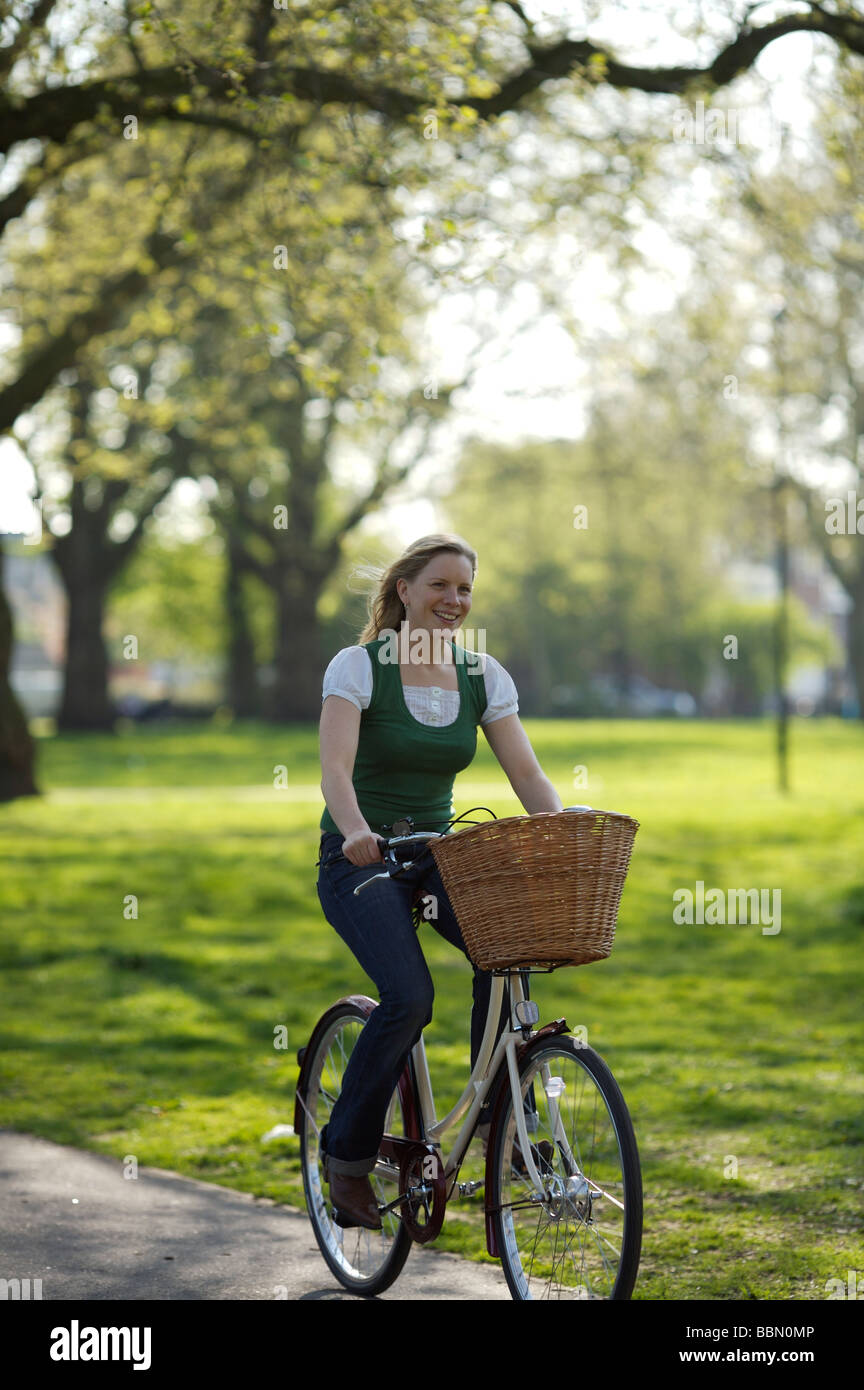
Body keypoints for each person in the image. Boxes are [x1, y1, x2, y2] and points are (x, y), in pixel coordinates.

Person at [315, 533, 563, 1228]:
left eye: (464, 590)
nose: (453, 601)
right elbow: (336, 770)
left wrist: (563, 826)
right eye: (440, 586)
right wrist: (357, 829)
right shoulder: (359, 668)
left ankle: (498, 1124)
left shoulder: (483, 676)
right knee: (409, 996)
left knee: (506, 950)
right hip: (358, 860)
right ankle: (347, 1156)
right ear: (405, 590)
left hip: (434, 856)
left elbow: (528, 776)